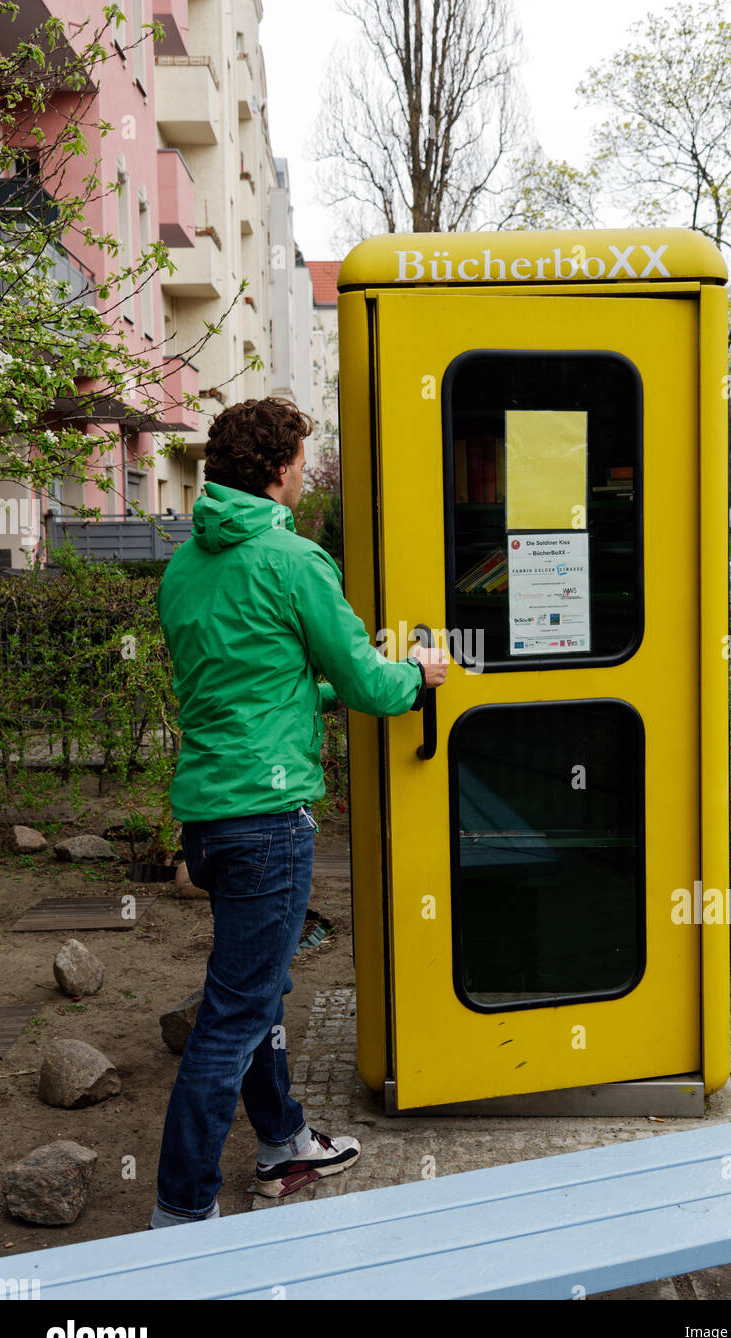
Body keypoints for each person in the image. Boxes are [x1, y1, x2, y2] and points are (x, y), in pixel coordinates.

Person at [149, 396, 448, 1227]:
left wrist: (310, 686)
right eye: (300, 462)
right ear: (280, 471)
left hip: (209, 814)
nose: (303, 475)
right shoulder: (292, 560)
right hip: (267, 816)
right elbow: (365, 685)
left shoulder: (186, 565)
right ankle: (179, 1216)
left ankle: (283, 1143)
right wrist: (417, 674)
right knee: (231, 1017)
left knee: (256, 993)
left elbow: (246, 679)